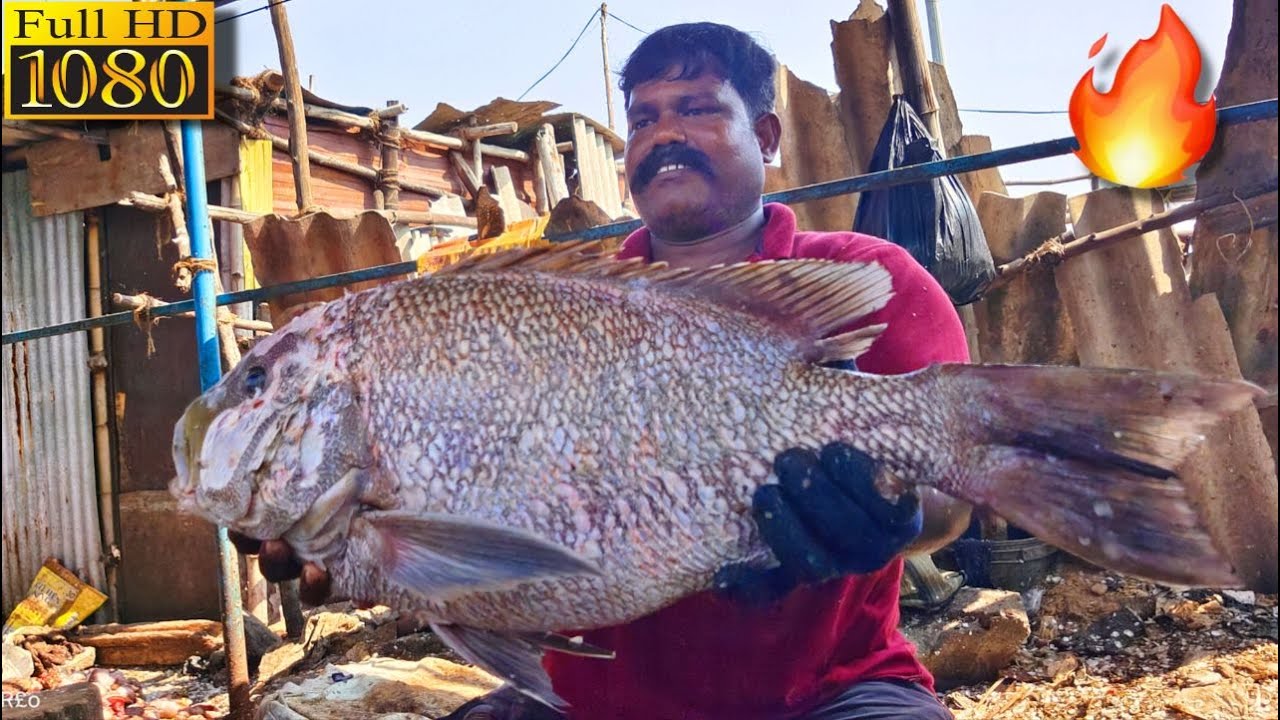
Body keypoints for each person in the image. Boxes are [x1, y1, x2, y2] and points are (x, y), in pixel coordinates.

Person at [242, 21, 973, 720]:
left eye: (696, 109)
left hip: (832, 694)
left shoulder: (864, 278)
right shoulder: (564, 302)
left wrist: (894, 519)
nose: (664, 135)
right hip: (591, 706)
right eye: (644, 118)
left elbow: (952, 492)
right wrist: (363, 547)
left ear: (768, 135)